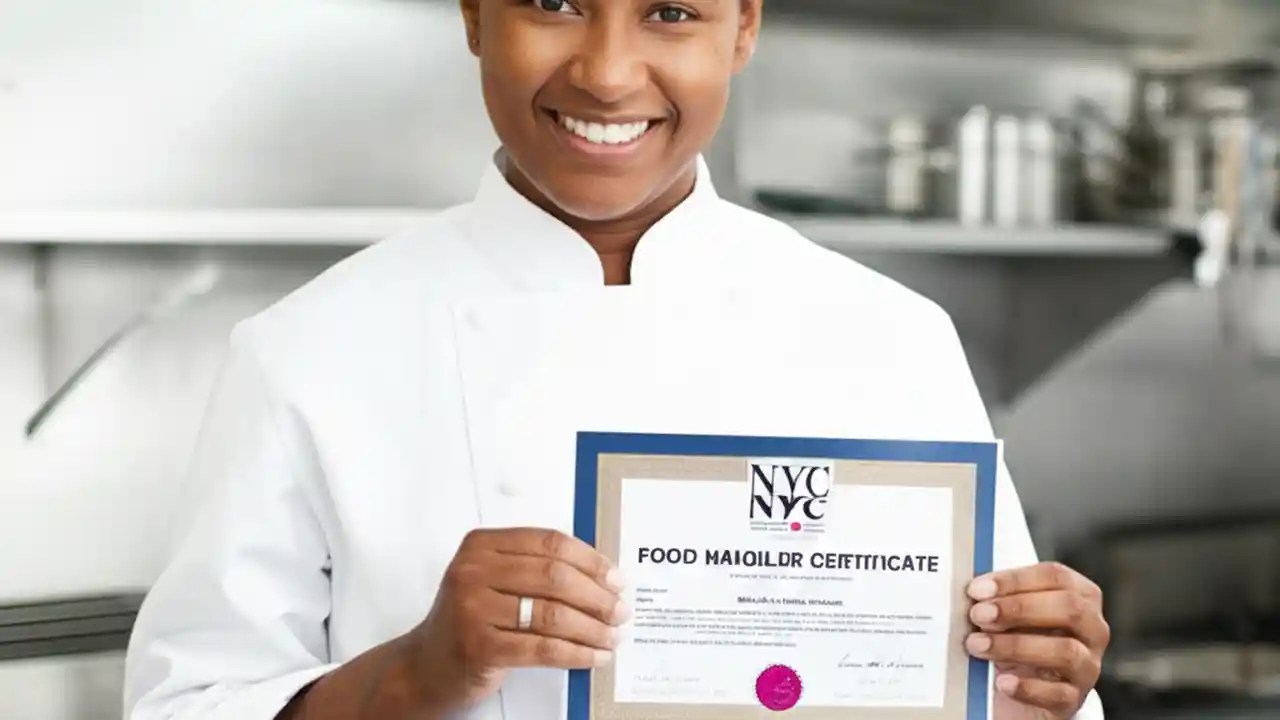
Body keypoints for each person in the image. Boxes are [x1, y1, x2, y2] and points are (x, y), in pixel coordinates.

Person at [123, 0, 1111, 718]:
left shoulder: (889, 338)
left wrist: (1043, 679)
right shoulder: (310, 349)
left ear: (743, 28)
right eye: (552, 3)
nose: (604, 71)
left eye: (669, 12)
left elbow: (982, 692)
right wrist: (416, 674)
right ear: (473, 15)